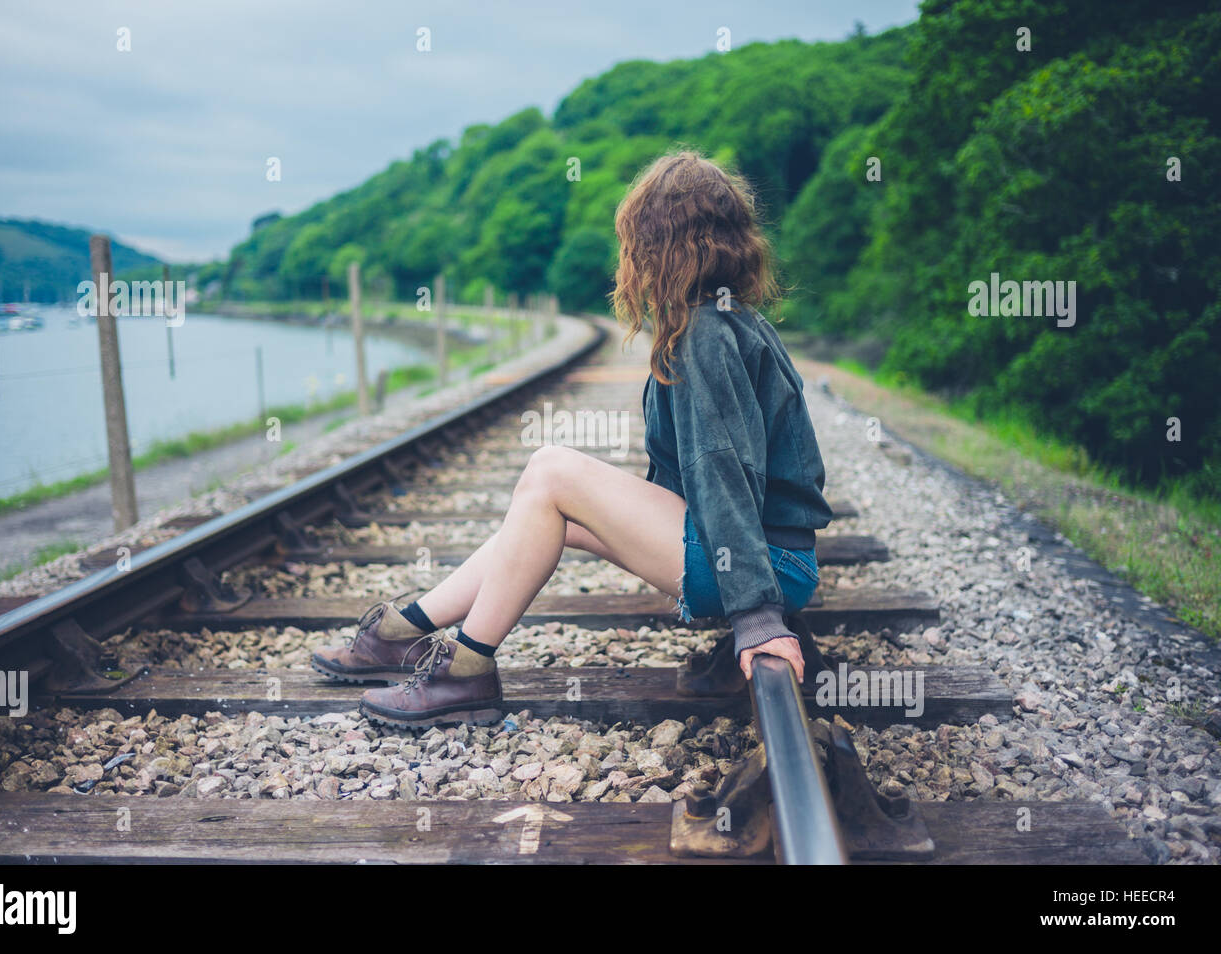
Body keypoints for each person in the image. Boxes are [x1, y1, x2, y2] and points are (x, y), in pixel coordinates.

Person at [312, 150, 833, 728]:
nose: (626, 258)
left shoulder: (707, 333)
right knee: (553, 515)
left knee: (551, 471)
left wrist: (757, 618)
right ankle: (402, 630)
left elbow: (723, 470)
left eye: (634, 242)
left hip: (770, 564)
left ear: (660, 245)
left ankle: (465, 672)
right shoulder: (724, 319)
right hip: (769, 555)